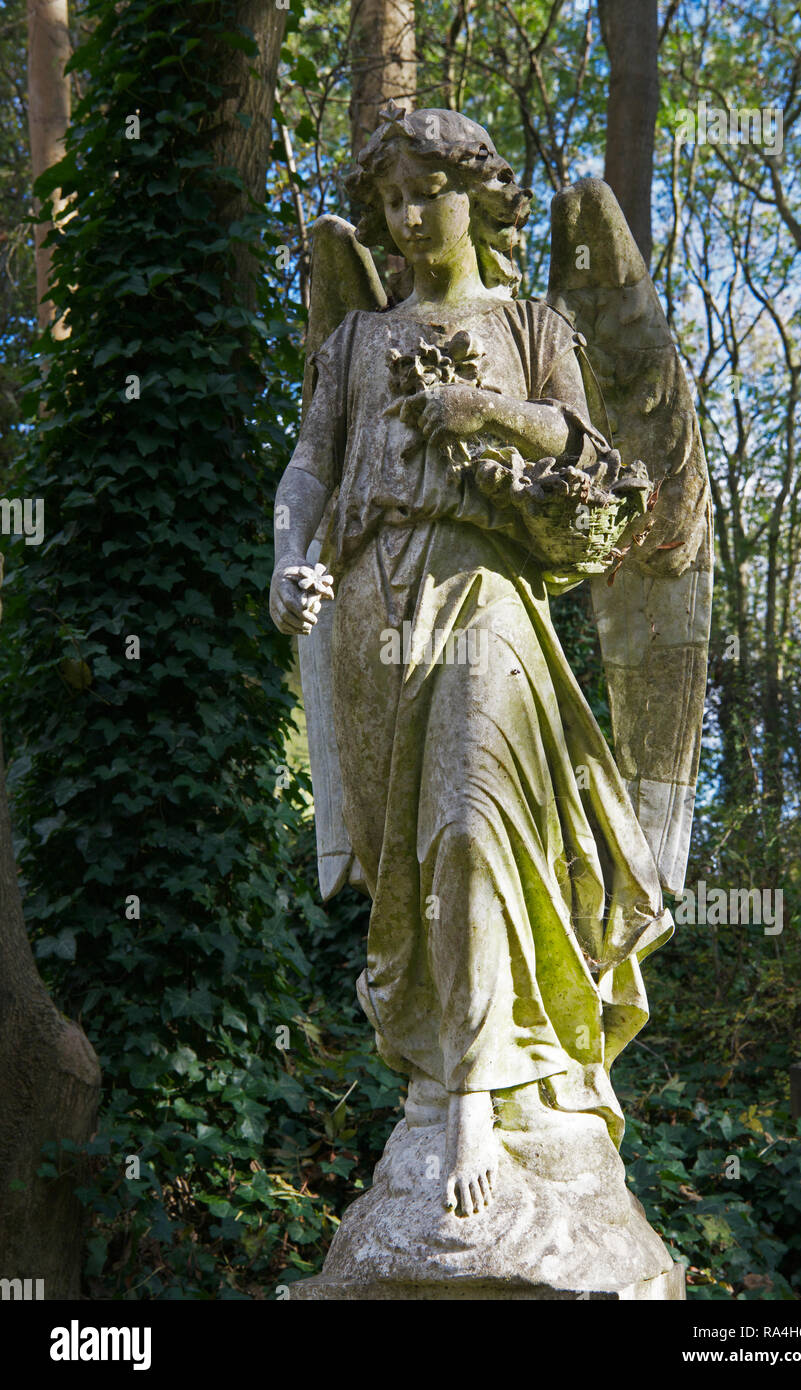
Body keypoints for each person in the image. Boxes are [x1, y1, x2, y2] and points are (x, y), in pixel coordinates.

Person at [270, 107, 672, 1220]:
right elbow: (310, 468)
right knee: (407, 869)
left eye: (426, 195)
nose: (405, 220)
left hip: (485, 593)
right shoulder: (355, 343)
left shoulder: (535, 324)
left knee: (469, 817)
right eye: (392, 201)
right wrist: (285, 556)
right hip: (372, 609)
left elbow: (595, 458)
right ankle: (437, 1079)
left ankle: (476, 1105)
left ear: (476, 193)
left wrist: (488, 409)